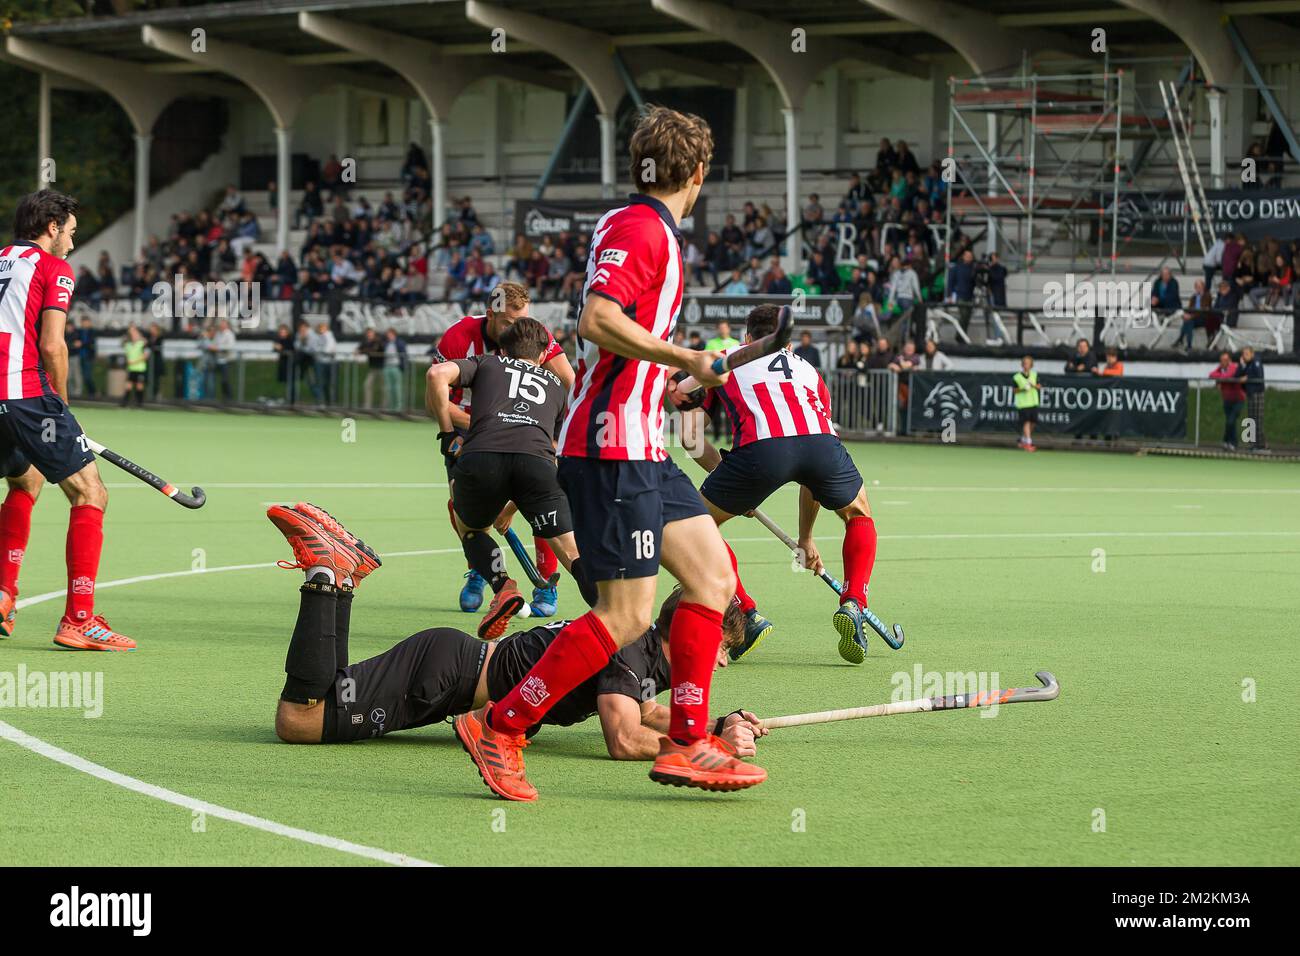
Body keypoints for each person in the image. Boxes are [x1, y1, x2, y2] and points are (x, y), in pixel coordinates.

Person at [453, 106, 765, 802]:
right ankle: (501, 726)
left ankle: (688, 742)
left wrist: (674, 380)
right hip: (612, 446)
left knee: (714, 579)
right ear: (699, 171)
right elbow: (598, 319)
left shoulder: (643, 226)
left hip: (641, 440)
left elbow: (620, 337)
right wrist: (685, 355)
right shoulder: (642, 227)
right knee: (625, 615)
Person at [265, 503, 763, 759]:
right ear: (692, 632)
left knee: (329, 694)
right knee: (299, 722)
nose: (722, 661)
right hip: (446, 679)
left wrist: (715, 725)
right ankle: (325, 573)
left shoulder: (645, 650)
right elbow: (625, 739)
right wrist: (709, 749)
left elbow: (648, 713)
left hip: (450, 665)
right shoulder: (632, 655)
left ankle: (340, 578)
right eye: (722, 647)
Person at [675, 304, 890, 665]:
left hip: (761, 451)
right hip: (821, 446)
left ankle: (745, 613)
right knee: (858, 513)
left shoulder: (727, 359)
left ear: (747, 338)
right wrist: (806, 537)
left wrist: (725, 476)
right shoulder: (809, 370)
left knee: (694, 528)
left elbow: (689, 436)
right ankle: (854, 601)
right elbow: (810, 470)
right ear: (787, 342)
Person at [0, 189, 135, 649]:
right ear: (52, 227)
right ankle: (79, 619)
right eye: (71, 232)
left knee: (25, 480)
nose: (72, 244)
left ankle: (3, 595)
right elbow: (52, 345)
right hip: (25, 393)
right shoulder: (53, 268)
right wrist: (62, 408)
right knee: (89, 492)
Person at [427, 318, 586, 639]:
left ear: (503, 350)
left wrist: (448, 434)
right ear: (543, 355)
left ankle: (502, 585)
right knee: (572, 552)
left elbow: (436, 375)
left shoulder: (486, 363)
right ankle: (615, 618)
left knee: (470, 528)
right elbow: (555, 448)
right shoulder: (558, 386)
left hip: (482, 458)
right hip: (538, 464)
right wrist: (512, 507)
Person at [1209, 351, 1246, 451]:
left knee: (1231, 421)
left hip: (1238, 399)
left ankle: (1232, 443)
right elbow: (1211, 375)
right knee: (1229, 422)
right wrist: (1221, 377)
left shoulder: (1234, 367)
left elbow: (1229, 375)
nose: (1223, 362)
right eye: (1221, 360)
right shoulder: (1220, 368)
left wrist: (1221, 377)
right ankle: (1227, 442)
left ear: (1229, 360)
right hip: (1227, 399)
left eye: (1225, 360)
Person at [1236, 346, 1268, 452]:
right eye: (1243, 354)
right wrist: (1241, 365)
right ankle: (1253, 444)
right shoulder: (1246, 365)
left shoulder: (1256, 362)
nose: (1244, 356)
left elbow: (1259, 375)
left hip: (1257, 394)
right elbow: (1237, 376)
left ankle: (1261, 445)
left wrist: (1247, 378)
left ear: (1252, 354)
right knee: (1251, 420)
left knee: (1258, 419)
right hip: (1250, 394)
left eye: (1247, 354)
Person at [1013, 355, 1042, 451]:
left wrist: (1033, 385)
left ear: (1031, 365)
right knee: (1026, 422)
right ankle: (1029, 443)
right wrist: (1023, 389)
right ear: (1022, 365)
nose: (1026, 365)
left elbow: (1039, 387)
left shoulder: (1034, 375)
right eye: (1025, 363)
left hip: (1033, 402)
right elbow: (1014, 390)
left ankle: (1023, 439)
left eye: (1028, 364)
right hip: (1023, 404)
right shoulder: (1017, 377)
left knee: (1033, 422)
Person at [356, 329, 386, 409]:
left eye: (370, 333)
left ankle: (384, 406)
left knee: (383, 387)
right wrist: (360, 351)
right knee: (367, 385)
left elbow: (375, 350)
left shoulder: (378, 341)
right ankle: (367, 406)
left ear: (374, 334)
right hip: (372, 368)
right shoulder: (366, 342)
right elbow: (359, 349)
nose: (369, 335)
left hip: (382, 367)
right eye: (368, 333)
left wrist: (364, 351)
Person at [120, 325, 149, 407]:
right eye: (131, 332)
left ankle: (140, 403)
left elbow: (145, 356)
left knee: (139, 386)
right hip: (131, 368)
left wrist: (134, 362)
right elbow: (125, 350)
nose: (133, 334)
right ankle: (124, 403)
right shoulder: (128, 344)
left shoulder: (142, 343)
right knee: (128, 386)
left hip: (140, 368)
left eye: (134, 332)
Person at [382, 328, 407, 411]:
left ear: (394, 334)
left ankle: (398, 407)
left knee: (397, 388)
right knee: (388, 388)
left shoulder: (400, 343)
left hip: (396, 367)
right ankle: (390, 407)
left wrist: (403, 366)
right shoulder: (386, 343)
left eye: (390, 334)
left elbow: (404, 355)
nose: (388, 336)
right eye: (387, 334)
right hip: (387, 367)